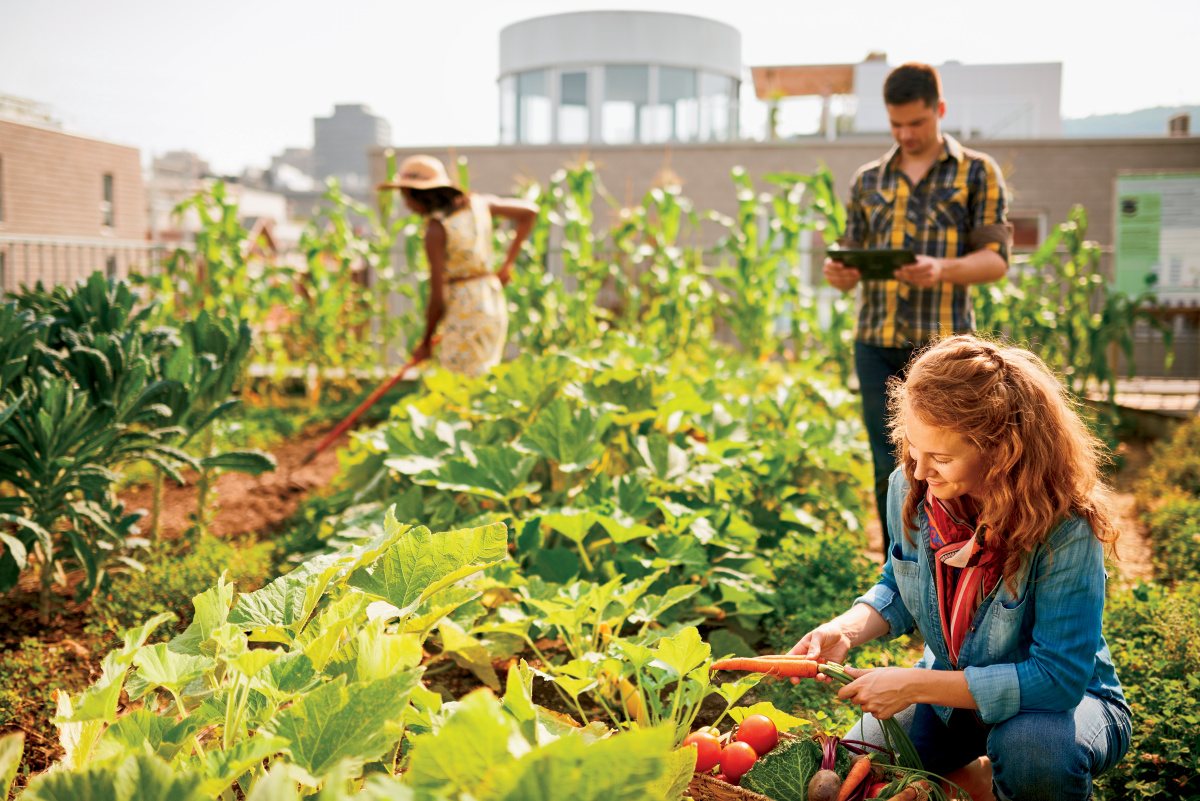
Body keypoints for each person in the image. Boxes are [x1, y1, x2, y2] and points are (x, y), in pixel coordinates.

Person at [789, 335, 1132, 801]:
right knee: (854, 763)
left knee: (1033, 750)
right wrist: (845, 630)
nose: (919, 468)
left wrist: (914, 684)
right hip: (953, 699)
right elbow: (899, 583)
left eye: (942, 457)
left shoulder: (1064, 526)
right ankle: (979, 782)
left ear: (1003, 450)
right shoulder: (910, 488)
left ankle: (1007, 774)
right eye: (913, 446)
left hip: (1060, 707)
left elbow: (1056, 680)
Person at [824, 63, 1011, 554]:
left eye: (917, 123)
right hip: (875, 341)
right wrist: (840, 274)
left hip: (945, 348)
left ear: (939, 111)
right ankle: (901, 570)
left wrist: (941, 269)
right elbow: (850, 255)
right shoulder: (868, 181)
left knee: (952, 460)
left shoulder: (976, 172)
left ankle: (958, 558)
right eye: (896, 125)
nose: (906, 134)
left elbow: (995, 261)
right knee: (887, 461)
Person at [379, 154, 538, 377]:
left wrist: (425, 343)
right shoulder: (478, 204)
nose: (406, 205)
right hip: (490, 299)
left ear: (421, 195)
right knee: (481, 377)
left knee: (457, 385)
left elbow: (437, 299)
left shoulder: (437, 229)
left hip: (465, 309)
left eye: (406, 196)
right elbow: (530, 211)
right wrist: (506, 266)